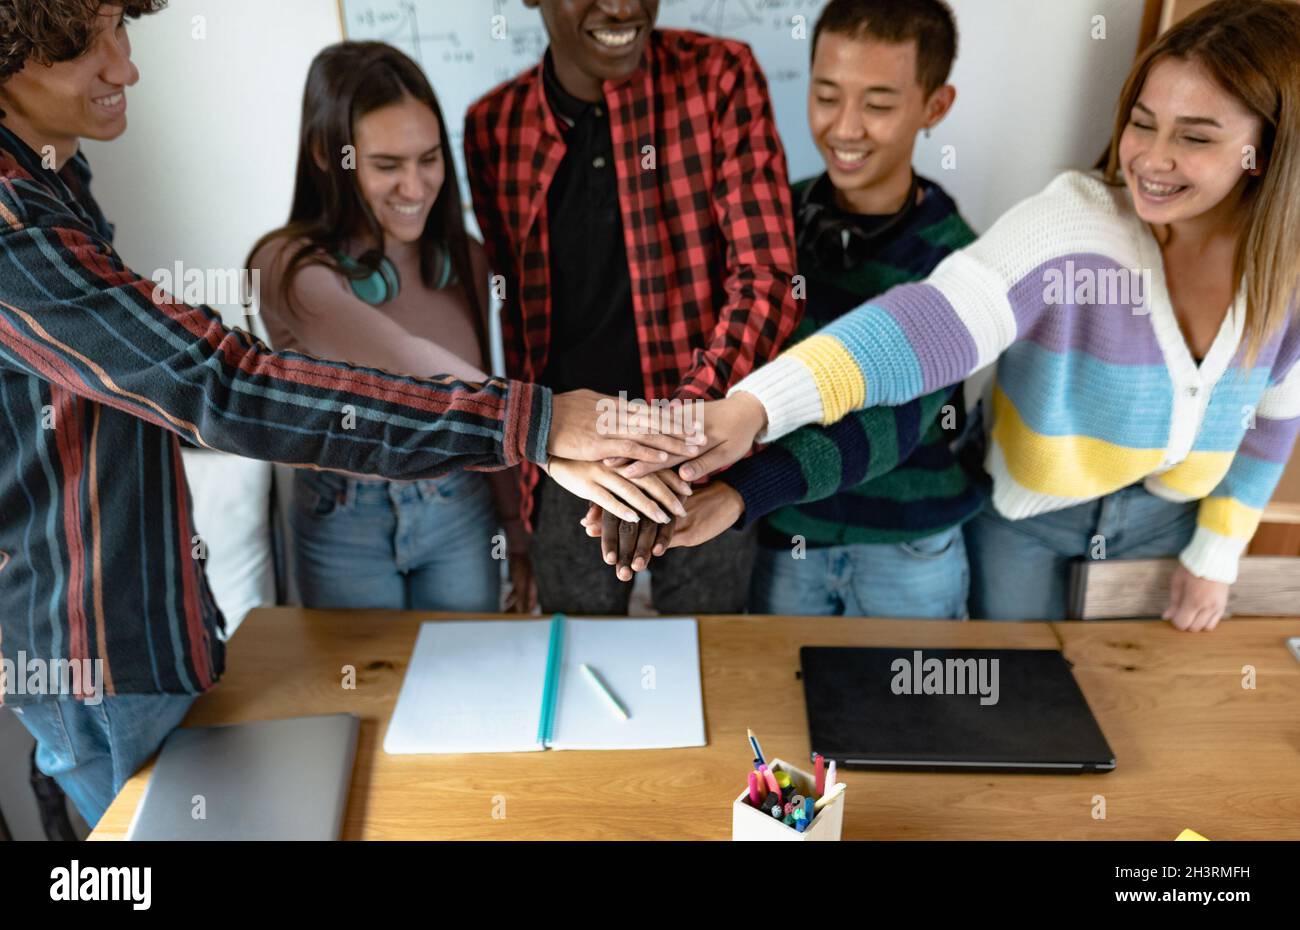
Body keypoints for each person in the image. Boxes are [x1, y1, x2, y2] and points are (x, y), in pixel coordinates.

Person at [0, 1, 698, 825]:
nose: (126, 67)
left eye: (123, 29)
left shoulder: (56, 176)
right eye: (83, 49)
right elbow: (226, 386)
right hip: (99, 649)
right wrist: (535, 423)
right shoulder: (19, 223)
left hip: (164, 621)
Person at [671, 0, 1300, 630]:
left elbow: (1272, 420)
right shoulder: (1075, 224)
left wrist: (1216, 554)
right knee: (1020, 699)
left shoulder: (1288, 275)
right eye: (1142, 123)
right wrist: (754, 409)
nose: (1152, 159)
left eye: (1194, 137)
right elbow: (929, 324)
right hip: (1028, 520)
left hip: (1170, 523)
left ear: (1267, 151)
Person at [250, 43, 691, 613]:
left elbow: (486, 378)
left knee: (472, 682)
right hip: (344, 516)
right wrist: (548, 434)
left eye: (429, 158)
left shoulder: (466, 259)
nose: (416, 188)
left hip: (459, 502)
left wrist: (516, 528)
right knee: (361, 690)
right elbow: (399, 357)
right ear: (326, 155)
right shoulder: (282, 266)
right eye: (387, 165)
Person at [588, 0, 983, 619]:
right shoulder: (770, 223)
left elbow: (892, 425)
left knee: (913, 714)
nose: (845, 128)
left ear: (935, 106)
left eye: (878, 104)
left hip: (906, 552)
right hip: (787, 544)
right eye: (827, 96)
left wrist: (743, 492)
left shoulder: (957, 258)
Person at [463, 0, 801, 615]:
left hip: (708, 449)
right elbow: (517, 327)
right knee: (581, 663)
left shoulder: (721, 76)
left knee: (707, 662)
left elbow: (769, 276)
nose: (621, 7)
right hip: (569, 464)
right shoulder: (493, 126)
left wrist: (670, 441)